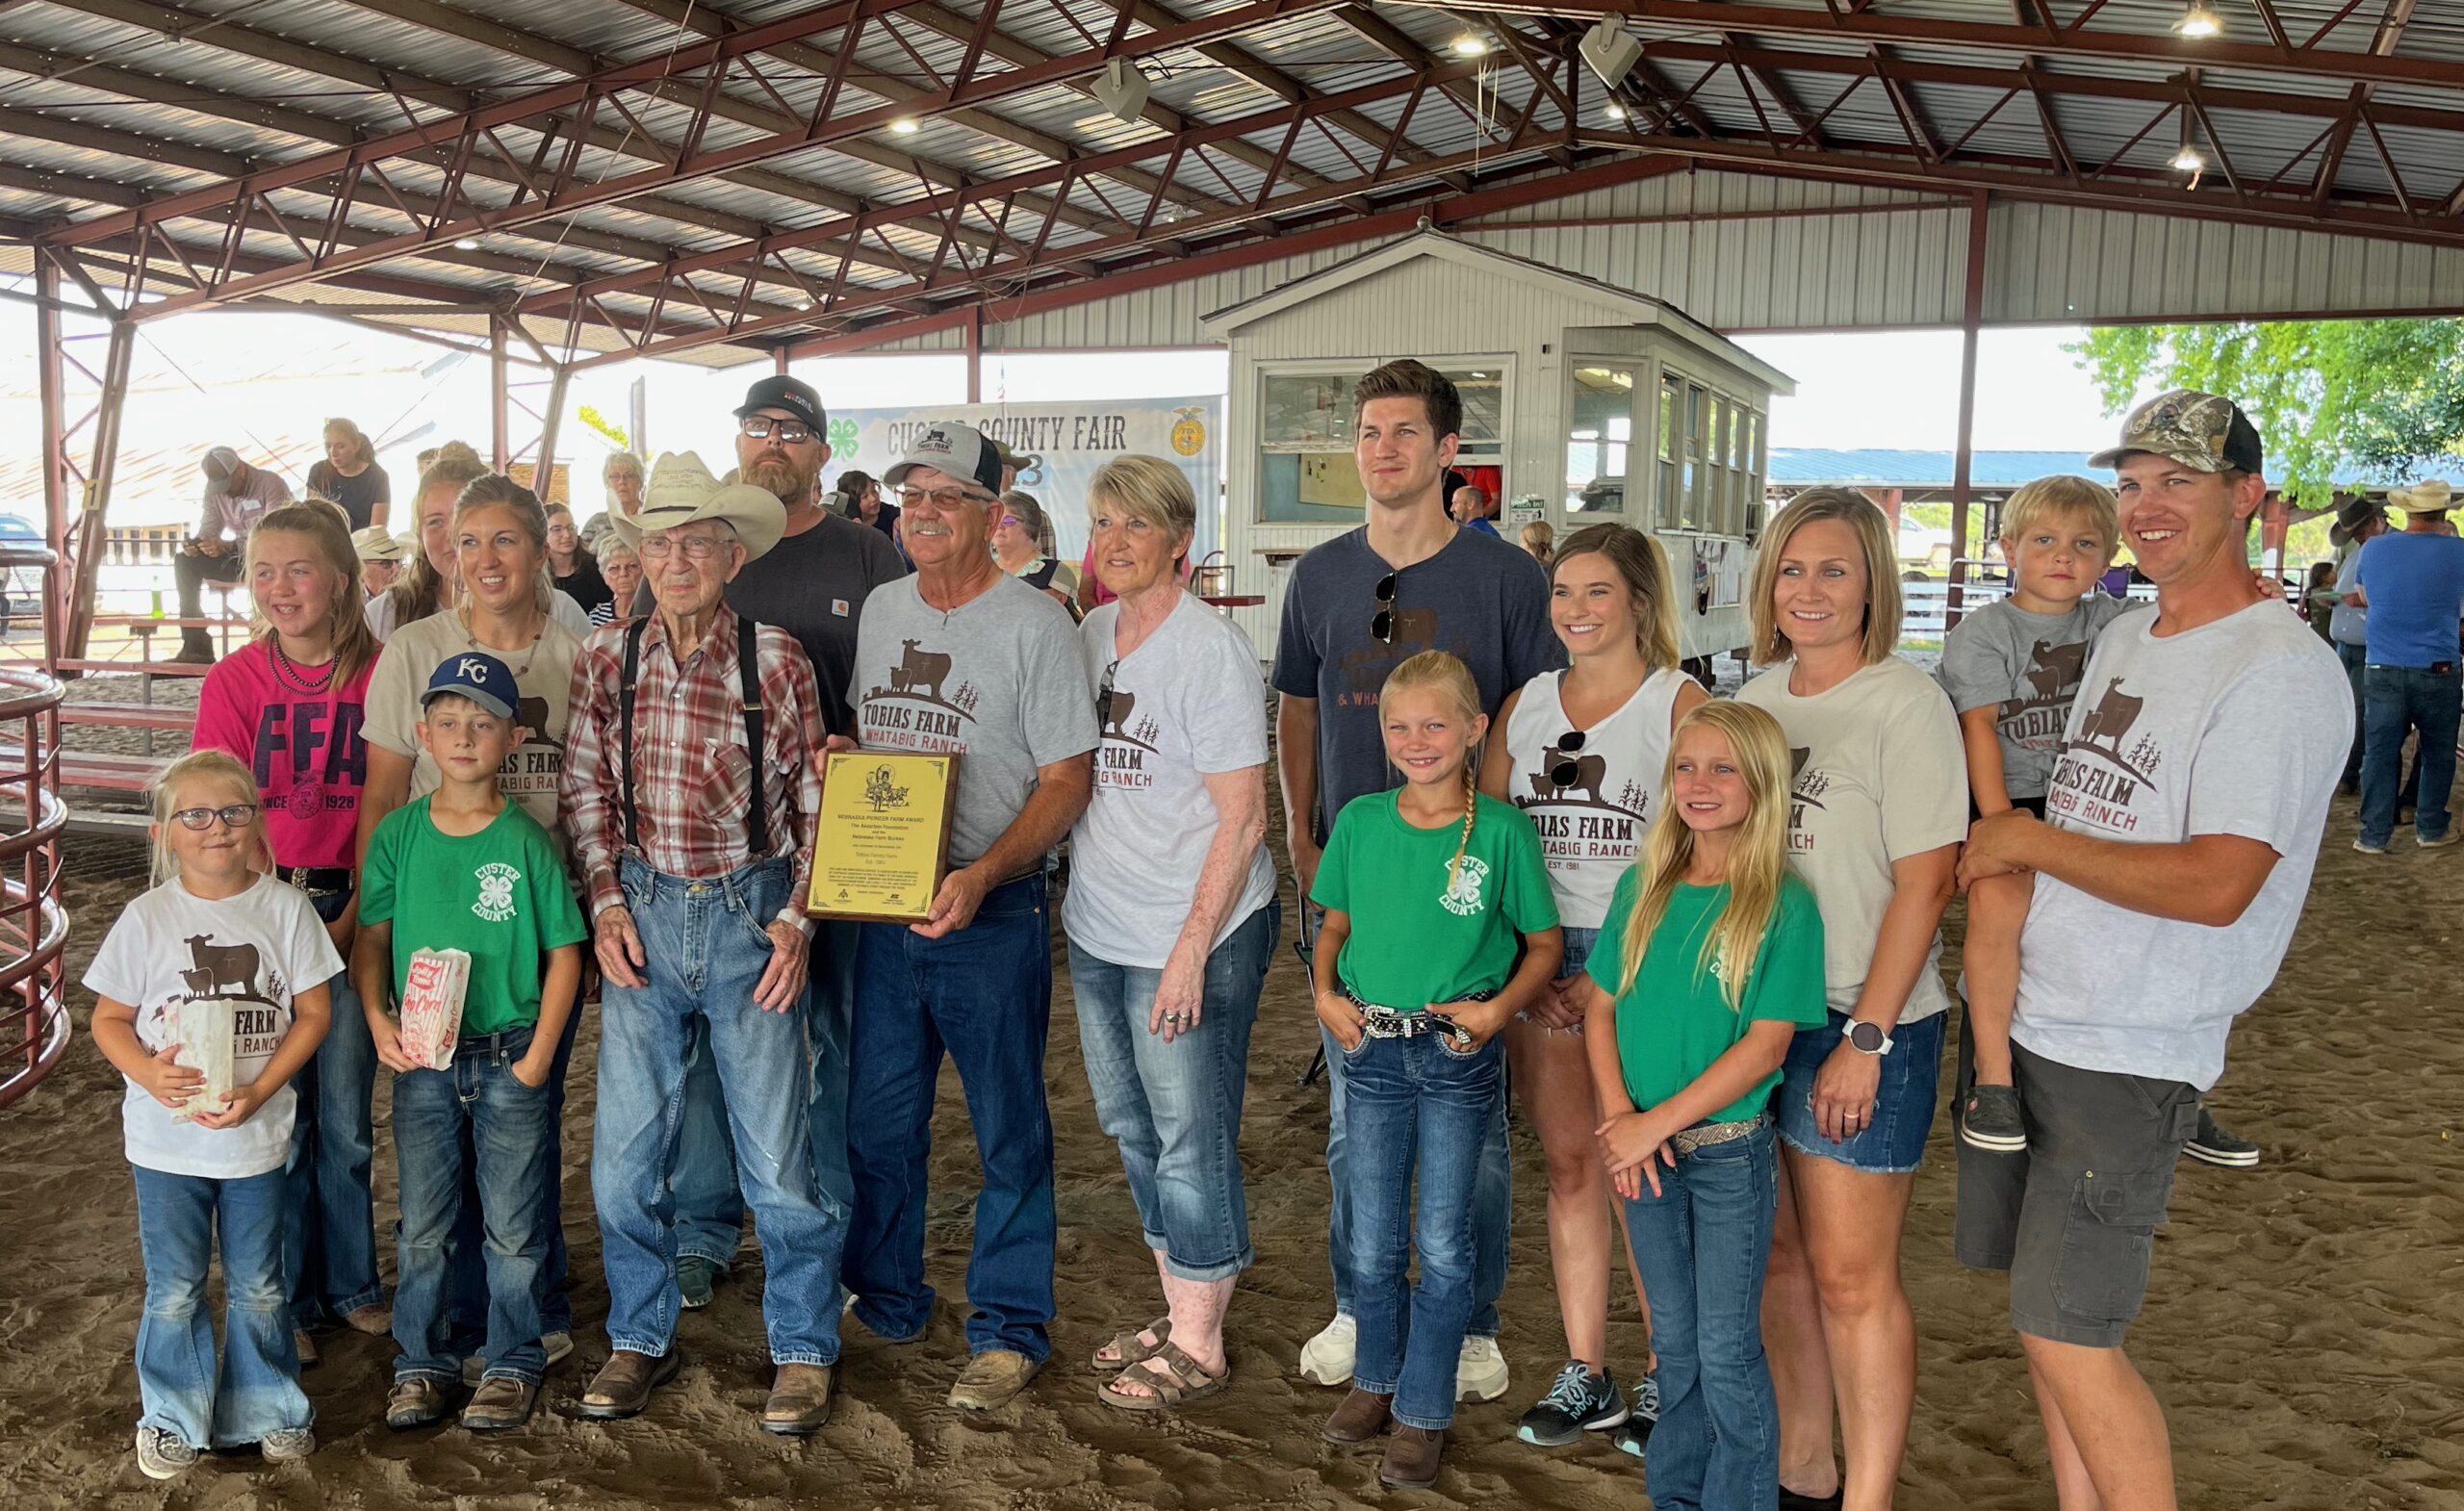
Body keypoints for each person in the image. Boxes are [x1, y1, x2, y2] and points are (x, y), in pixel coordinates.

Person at [1956, 389, 2348, 1511]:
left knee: (2074, 1334)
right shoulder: (2128, 630)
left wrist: (2028, 839)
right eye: (2131, 483)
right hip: (2034, 1011)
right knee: (2045, 1327)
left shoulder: (2274, 669)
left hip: (2130, 1043)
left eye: (2178, 480)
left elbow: (2223, 882)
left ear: (2247, 497)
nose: (2146, 507)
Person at [1272, 358, 1561, 1403]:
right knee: (1358, 1122)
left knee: (1472, 1124)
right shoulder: (1318, 576)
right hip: (1358, 876)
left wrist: (1482, 852)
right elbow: (1298, 707)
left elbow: (1530, 712)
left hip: (1465, 892)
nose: (1381, 448)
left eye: (1403, 432)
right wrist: (1305, 841)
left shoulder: (1503, 579)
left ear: (1448, 453)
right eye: (1367, 432)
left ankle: (1473, 1319)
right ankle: (1362, 1309)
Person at [562, 450, 844, 1433]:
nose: (675, 560)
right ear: (635, 553)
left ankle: (802, 1345)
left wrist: (798, 921)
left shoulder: (777, 657)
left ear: (731, 554)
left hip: (746, 910)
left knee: (779, 1156)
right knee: (624, 1164)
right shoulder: (608, 654)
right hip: (641, 907)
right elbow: (586, 789)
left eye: (695, 542)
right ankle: (639, 1334)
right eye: (659, 541)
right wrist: (603, 901)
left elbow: (815, 803)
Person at [841, 421, 1097, 1413]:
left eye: (948, 495)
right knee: (880, 1122)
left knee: (1008, 1129)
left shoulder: (1036, 625)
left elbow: (1068, 780)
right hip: (884, 909)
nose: (926, 511)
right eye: (914, 495)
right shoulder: (881, 607)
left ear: (996, 513)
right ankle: (893, 1295)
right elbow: (872, 741)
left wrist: (985, 874)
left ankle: (1008, 1326)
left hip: (990, 912)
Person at [1733, 488, 1965, 1511]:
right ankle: (1805, 1469)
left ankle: (1865, 1495)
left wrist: (1866, 1037)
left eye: (1833, 569)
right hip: (1759, 1014)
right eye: (1791, 568)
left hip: (1865, 1017)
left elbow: (1926, 880)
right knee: (1780, 1260)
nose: (1808, 590)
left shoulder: (1904, 703)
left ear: (1874, 581)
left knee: (1852, 1279)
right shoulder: (1752, 698)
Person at [655, 372, 905, 1314]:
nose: (774, 445)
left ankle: (826, 1234)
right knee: (716, 1046)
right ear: (739, 441)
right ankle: (706, 1229)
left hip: (849, 833)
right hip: (724, 852)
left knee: (838, 1040)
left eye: (792, 432)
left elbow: (899, 691)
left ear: (819, 451)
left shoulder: (868, 559)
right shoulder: (713, 553)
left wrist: (867, 751)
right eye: (759, 428)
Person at [1310, 651, 1561, 1489]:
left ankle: (1423, 1409)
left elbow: (1544, 945)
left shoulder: (1499, 830)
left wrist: (1499, 1011)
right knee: (1375, 1236)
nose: (1417, 740)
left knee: (1446, 1243)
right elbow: (1336, 927)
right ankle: (1377, 1379)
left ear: (1474, 729)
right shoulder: (1361, 820)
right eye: (1399, 725)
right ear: (1381, 734)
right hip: (1371, 1051)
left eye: (1434, 724)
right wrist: (1323, 992)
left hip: (1458, 1055)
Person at [1480, 522, 1705, 1451]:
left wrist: (1606, 969)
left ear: (1641, 603)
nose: (1575, 610)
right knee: (1573, 1165)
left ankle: (1667, 1375)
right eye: (1563, 592)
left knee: (1643, 1167)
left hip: (1642, 955)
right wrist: (1526, 961)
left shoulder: (1677, 702)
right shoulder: (1525, 703)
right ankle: (1587, 1374)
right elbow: (1487, 830)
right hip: (1540, 949)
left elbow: (1700, 848)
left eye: (1597, 591)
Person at [359, 473, 590, 1368]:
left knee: (524, 1114)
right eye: (468, 542)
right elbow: (383, 794)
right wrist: (368, 927)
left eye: (505, 540)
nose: (486, 559)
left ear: (541, 550)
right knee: (444, 1135)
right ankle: (456, 1326)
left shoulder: (579, 653)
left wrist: (589, 916)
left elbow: (594, 793)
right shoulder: (414, 649)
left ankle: (526, 1315)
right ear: (446, 552)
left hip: (537, 919)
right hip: (431, 920)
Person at [1065, 454, 1278, 1414]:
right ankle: (1182, 1297)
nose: (1114, 542)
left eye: (1135, 525)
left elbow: (1244, 817)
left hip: (1193, 925)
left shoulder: (1211, 652)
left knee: (1191, 1133)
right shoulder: (1092, 631)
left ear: (1179, 540)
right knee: (1130, 1124)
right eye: (1104, 522)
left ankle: (1200, 1339)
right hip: (1102, 921)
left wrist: (1192, 945)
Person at [1584, 700, 1829, 1511]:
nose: (1700, 783)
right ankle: (1677, 1497)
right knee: (1675, 1346)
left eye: (1724, 769)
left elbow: (1764, 1048)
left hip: (1726, 1153)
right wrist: (1624, 1120)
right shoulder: (1643, 887)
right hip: (1644, 1153)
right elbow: (1601, 1008)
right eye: (1687, 767)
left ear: (1761, 786)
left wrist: (1656, 1123)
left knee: (1726, 1348)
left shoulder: (1781, 904)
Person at [85, 751, 339, 1480]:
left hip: (255, 1138)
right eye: (193, 815)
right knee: (175, 1285)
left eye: (232, 811)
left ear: (256, 820)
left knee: (261, 1282)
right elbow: (109, 1019)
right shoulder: (147, 918)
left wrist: (259, 1095)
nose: (215, 828)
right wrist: (149, 1073)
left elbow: (314, 1010)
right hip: (166, 1144)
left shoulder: (285, 909)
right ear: (166, 832)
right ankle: (171, 1415)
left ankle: (269, 1407)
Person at [193, 505, 387, 1367]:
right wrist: (254, 920)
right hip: (262, 916)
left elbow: (397, 808)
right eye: (263, 571)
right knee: (274, 1114)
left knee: (343, 1117)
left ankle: (350, 1282)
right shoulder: (232, 684)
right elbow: (218, 817)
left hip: (349, 906)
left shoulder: (383, 674)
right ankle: (288, 1294)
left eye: (298, 569)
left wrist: (360, 919)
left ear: (341, 578)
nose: (279, 588)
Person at [1935, 476, 2131, 1153]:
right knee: (1997, 907)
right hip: (2012, 796)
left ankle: (2154, 1081)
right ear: (2009, 547)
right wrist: (2001, 826)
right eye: (2044, 540)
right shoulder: (1987, 632)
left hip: (2094, 803)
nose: (2062, 556)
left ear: (2107, 559)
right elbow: (1980, 730)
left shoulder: (2115, 623)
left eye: (2083, 544)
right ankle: (1994, 1076)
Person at [2349, 477, 2464, 853]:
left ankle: (2372, 834)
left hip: (2382, 664)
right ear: (2443, 512)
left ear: (2407, 512)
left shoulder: (2374, 550)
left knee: (2380, 753)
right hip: (2438, 665)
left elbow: (2365, 597)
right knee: (2437, 751)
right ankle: (2430, 828)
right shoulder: (2459, 552)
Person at [371, 452, 593, 644]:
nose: (453, 535)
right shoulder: (385, 616)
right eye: (435, 521)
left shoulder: (561, 613)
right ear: (420, 534)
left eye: (464, 520)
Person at [174, 447, 294, 664]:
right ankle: (195, 645)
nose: (225, 491)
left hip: (271, 558)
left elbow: (276, 534)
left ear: (240, 470)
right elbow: (209, 528)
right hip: (236, 557)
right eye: (219, 486)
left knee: (268, 560)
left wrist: (230, 546)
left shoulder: (270, 484)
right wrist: (197, 545)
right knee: (184, 562)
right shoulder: (214, 492)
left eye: (227, 484)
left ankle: (267, 641)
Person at [2322, 498, 2383, 789]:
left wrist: (2361, 601)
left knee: (2357, 711)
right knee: (2343, 709)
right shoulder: (2358, 551)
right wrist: (2333, 598)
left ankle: (2349, 774)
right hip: (2346, 642)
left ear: (2375, 521)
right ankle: (2344, 770)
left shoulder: (2388, 549)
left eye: (2359, 531)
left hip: (2366, 645)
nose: (2357, 538)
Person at [994, 490, 1081, 607]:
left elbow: (1069, 621)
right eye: (996, 518)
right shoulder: (982, 566)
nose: (999, 525)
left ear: (1030, 526)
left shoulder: (1056, 573)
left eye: (1008, 520)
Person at [305, 419, 390, 530]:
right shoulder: (318, 471)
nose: (333, 453)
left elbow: (377, 529)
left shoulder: (377, 476)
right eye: (328, 446)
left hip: (363, 543)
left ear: (356, 446)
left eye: (340, 446)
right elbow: (313, 518)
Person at [546, 502, 612, 621]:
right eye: (557, 530)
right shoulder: (535, 575)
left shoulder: (597, 568)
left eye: (571, 528)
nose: (567, 535)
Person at [592, 540, 641, 627]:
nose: (623, 574)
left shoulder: (656, 613)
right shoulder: (596, 616)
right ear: (604, 576)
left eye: (632, 566)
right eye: (614, 568)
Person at [353, 527, 408, 599]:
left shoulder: (411, 598)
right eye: (386, 563)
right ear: (362, 568)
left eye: (398, 561)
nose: (397, 569)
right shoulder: (350, 602)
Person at [603, 450, 645, 520]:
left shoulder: (656, 522)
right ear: (607, 484)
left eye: (629, 476)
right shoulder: (596, 525)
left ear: (640, 483)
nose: (621, 481)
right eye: (615, 476)